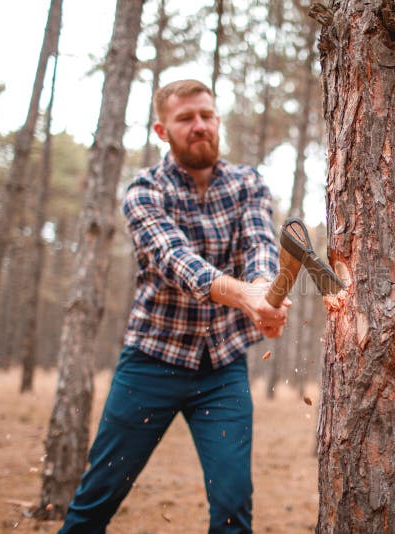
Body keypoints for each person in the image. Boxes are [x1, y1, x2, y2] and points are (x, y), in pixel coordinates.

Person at [59, 79, 290, 533]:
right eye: (186, 118)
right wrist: (245, 296)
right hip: (151, 363)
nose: (199, 126)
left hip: (221, 369)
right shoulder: (144, 192)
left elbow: (260, 243)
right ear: (163, 131)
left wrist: (264, 290)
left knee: (233, 505)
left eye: (206, 115)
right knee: (97, 498)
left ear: (218, 121)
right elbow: (178, 262)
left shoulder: (248, 183)